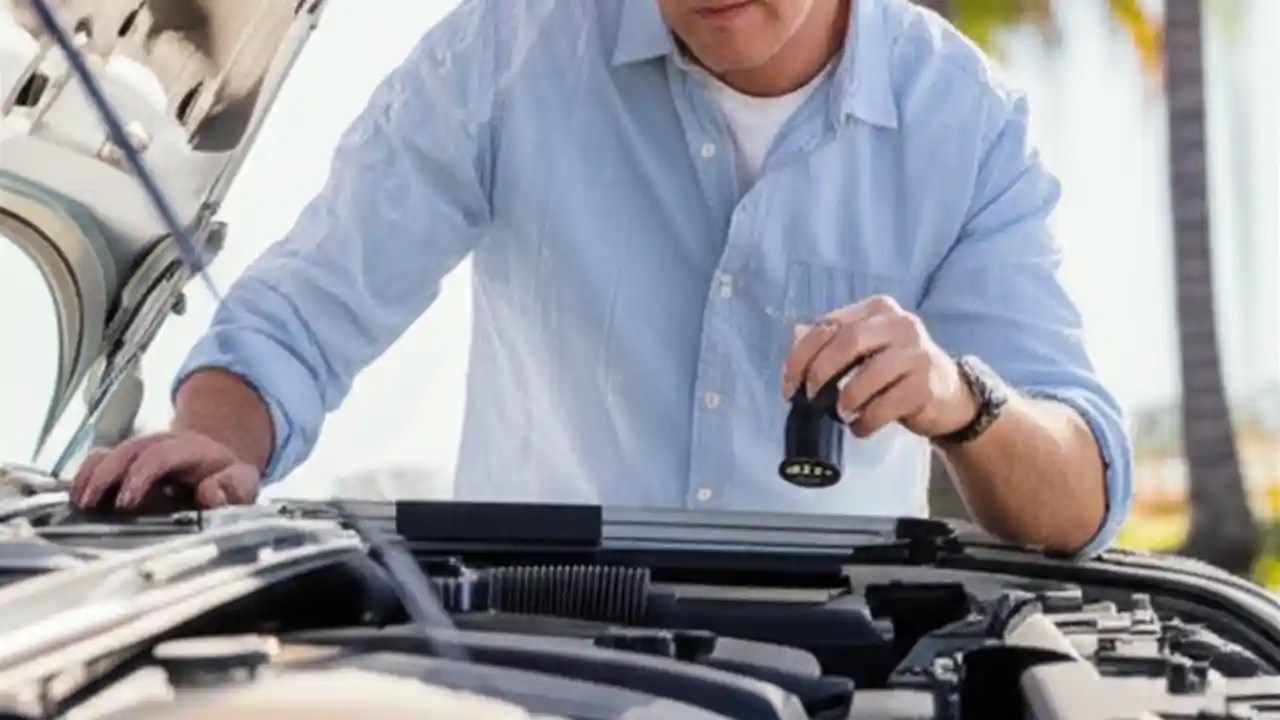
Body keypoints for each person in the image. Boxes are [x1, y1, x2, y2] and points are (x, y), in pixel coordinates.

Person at [71, 0, 1133, 556]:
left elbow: (1076, 495)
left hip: (830, 677)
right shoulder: (502, 49)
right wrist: (213, 440)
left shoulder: (965, 122)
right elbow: (296, 319)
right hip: (532, 661)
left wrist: (959, 402)